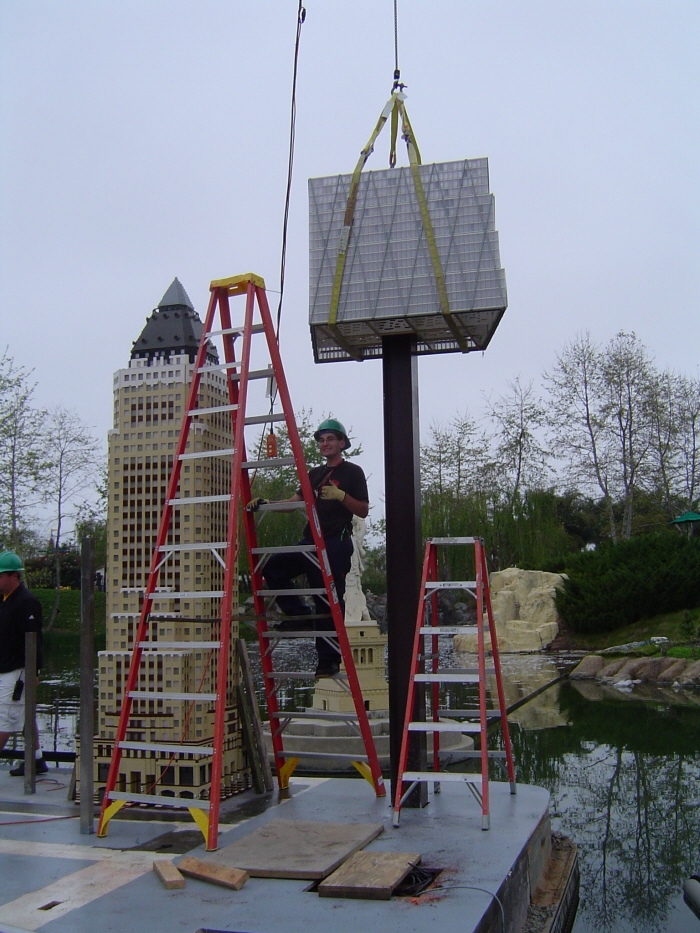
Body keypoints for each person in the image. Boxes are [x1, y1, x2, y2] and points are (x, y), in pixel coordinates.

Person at [247, 419, 369, 678]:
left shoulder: (352, 472)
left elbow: (363, 510)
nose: (325, 444)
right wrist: (269, 503)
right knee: (273, 567)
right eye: (321, 440)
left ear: (341, 443)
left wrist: (341, 496)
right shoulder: (313, 474)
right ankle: (299, 614)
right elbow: (295, 502)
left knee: (326, 598)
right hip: (311, 540)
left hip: (335, 541)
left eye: (330, 440)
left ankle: (328, 660)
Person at [0, 551, 46, 775]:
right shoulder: (5, 601)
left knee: (5, 717)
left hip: (16, 670)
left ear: (13, 576)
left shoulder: (26, 602)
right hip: (6, 666)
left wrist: (34, 670)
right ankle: (36, 759)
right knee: (26, 715)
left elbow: (34, 638)